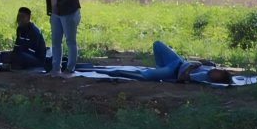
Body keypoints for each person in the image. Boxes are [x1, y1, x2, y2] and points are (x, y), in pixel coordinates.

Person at [101, 40, 237, 86]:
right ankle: (159, 69)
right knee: (157, 44)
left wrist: (192, 67)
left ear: (217, 79)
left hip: (173, 71)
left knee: (146, 75)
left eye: (219, 73)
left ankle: (119, 73)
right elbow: (204, 62)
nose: (217, 71)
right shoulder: (210, 68)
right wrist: (203, 62)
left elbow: (183, 77)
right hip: (177, 61)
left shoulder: (204, 77)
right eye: (220, 70)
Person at [7, 6, 48, 70]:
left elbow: (33, 51)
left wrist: (18, 52)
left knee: (19, 56)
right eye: (18, 16)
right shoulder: (19, 29)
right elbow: (17, 45)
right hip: (24, 54)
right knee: (5, 55)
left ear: (28, 18)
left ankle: (19, 66)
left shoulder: (34, 31)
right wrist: (12, 53)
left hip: (37, 59)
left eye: (22, 17)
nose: (19, 19)